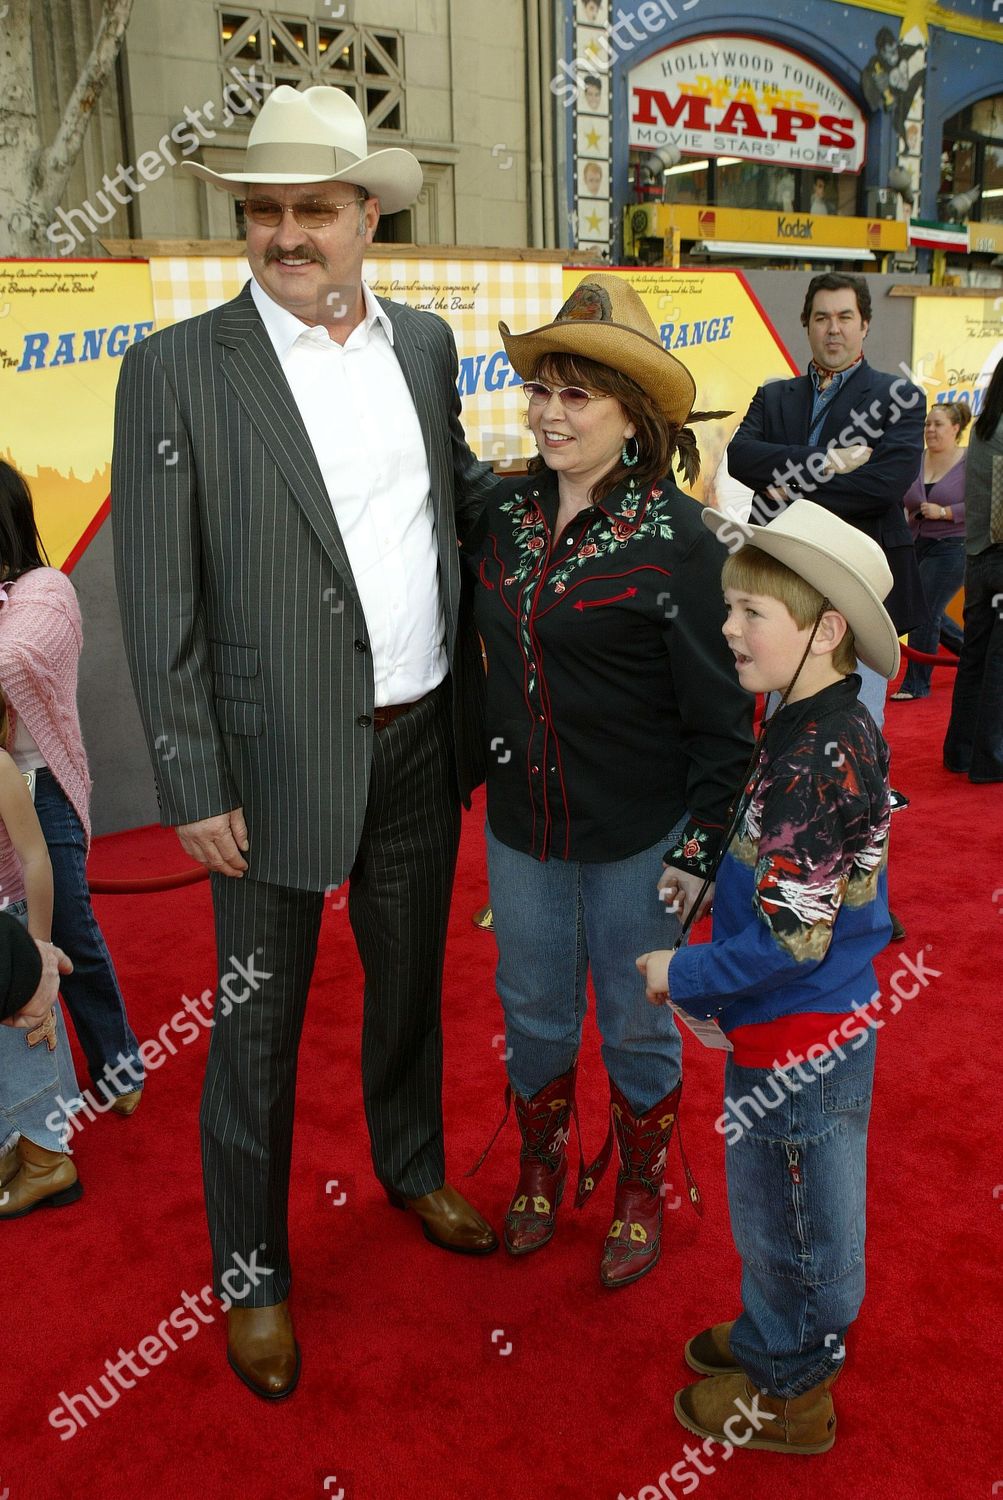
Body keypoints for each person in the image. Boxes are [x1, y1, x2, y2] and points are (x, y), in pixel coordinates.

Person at [112, 85, 499, 1401]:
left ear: (367, 213)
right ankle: (252, 1276)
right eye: (262, 211)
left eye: (312, 209)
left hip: (419, 737)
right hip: (265, 765)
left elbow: (451, 503)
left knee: (408, 989)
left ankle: (410, 1167)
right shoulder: (174, 370)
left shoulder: (429, 346)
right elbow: (157, 596)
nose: (285, 234)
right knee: (255, 1031)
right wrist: (189, 775)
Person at [465, 273, 754, 1286]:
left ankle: (638, 1184)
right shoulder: (498, 515)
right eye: (542, 389)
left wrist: (699, 854)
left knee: (637, 1021)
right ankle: (540, 1164)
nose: (549, 412)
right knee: (533, 1007)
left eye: (577, 394)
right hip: (522, 831)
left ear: (634, 417)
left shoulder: (683, 545)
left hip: (642, 840)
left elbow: (725, 725)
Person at [637, 499, 898, 1455]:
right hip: (796, 1029)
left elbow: (791, 942)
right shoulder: (809, 723)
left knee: (791, 1217)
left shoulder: (812, 757)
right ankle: (770, 1335)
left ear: (825, 631)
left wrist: (682, 968)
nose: (726, 628)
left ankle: (791, 1389)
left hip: (796, 1033)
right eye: (729, 606)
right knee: (779, 1202)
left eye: (751, 613)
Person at [0, 462, 143, 1118]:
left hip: (42, 787)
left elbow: (17, 659)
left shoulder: (46, 589)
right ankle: (29, 1094)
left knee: (68, 931)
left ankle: (117, 1063)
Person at [728, 272, 925, 733]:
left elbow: (883, 487)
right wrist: (831, 461)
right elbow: (741, 458)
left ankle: (864, 805)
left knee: (860, 720)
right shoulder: (774, 395)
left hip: (862, 580)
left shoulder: (897, 398)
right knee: (783, 715)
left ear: (865, 325)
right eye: (821, 318)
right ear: (807, 324)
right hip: (784, 577)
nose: (832, 328)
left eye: (844, 317)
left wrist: (787, 482)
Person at [0, 680, 82, 1217]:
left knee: (26, 1046)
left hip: (10, 935)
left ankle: (47, 1160)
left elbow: (36, 859)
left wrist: (39, 949)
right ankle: (13, 1144)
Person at [944, 361, 1003, 781]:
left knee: (973, 659)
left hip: (977, 556)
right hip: (999, 554)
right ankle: (991, 759)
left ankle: (959, 752)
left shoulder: (984, 429)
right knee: (998, 664)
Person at [891, 400, 969, 701]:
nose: (930, 430)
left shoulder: (970, 461)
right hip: (916, 545)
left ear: (955, 428)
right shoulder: (916, 459)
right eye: (927, 425)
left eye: (937, 424)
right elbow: (900, 497)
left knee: (924, 611)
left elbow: (985, 502)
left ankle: (915, 684)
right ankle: (972, 656)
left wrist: (947, 511)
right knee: (926, 610)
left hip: (953, 545)